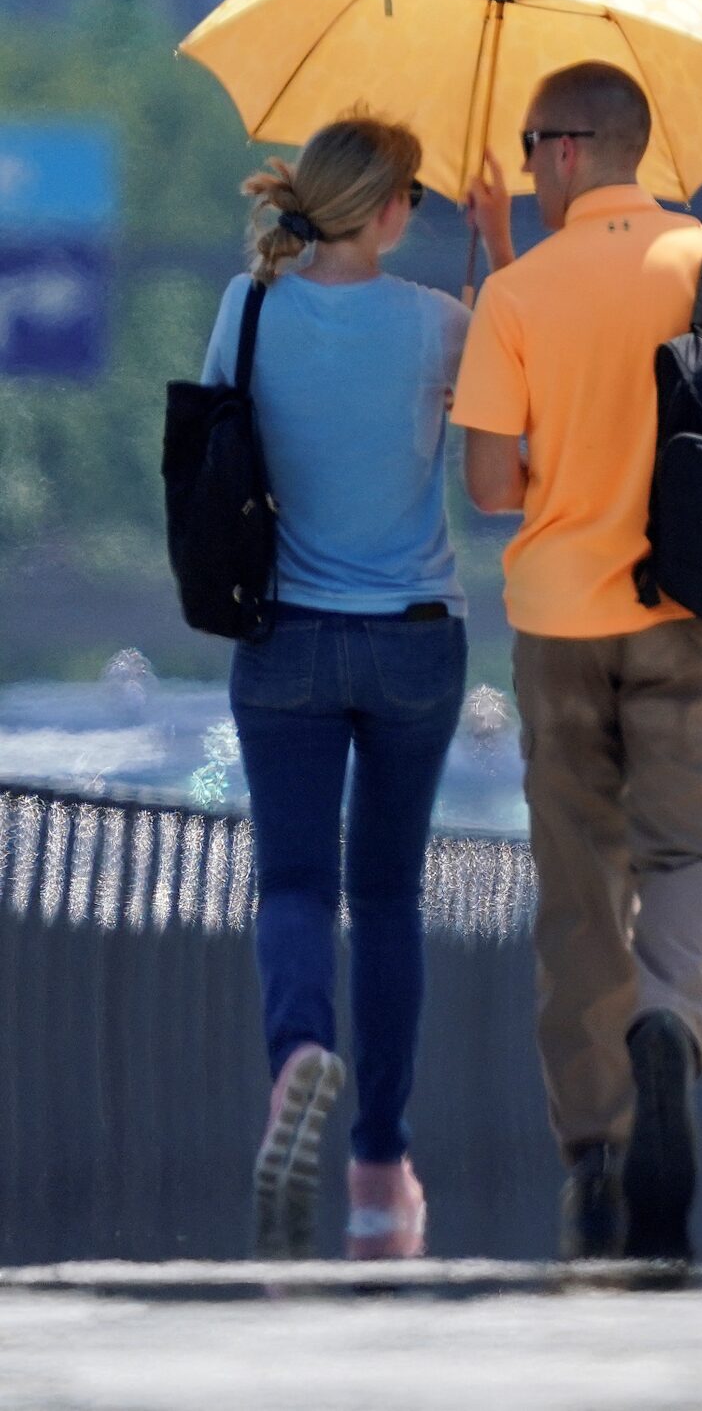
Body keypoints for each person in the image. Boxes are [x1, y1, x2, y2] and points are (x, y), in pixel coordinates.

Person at [453, 61, 702, 1261]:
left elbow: (492, 487)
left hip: (560, 623)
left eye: (525, 144)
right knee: (691, 847)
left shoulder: (517, 294)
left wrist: (499, 278)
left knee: (577, 889)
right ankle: (669, 1021)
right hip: (693, 610)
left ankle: (595, 1157)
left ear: (566, 151)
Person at [208, 117, 469, 1260]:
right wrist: (496, 258)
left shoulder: (247, 307)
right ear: (391, 209)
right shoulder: (438, 324)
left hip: (286, 639)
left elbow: (216, 439)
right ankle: (379, 1163)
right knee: (393, 898)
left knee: (297, 881)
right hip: (413, 643)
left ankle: (296, 1060)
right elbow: (507, 429)